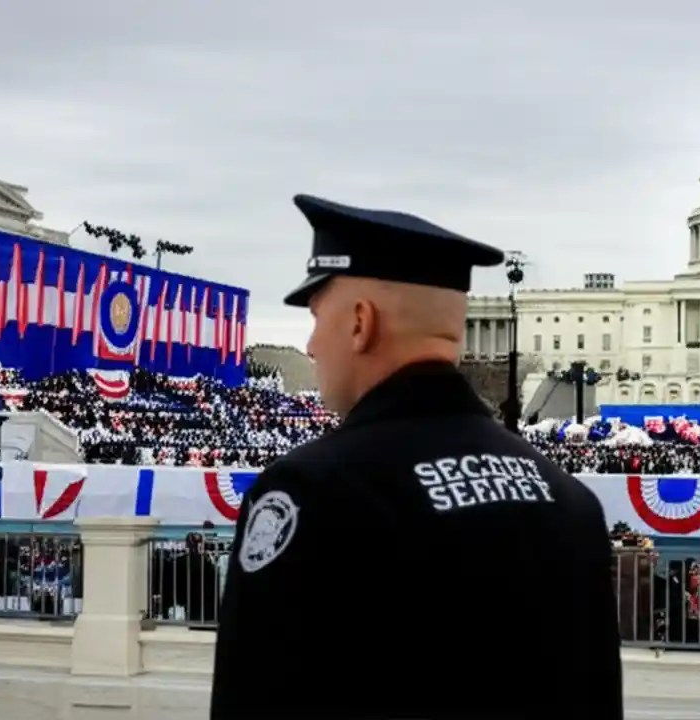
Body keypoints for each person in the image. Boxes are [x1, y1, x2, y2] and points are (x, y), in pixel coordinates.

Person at [210, 195, 623, 719]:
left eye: (317, 318)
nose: (312, 346)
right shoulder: (568, 500)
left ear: (360, 322)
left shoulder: (311, 492)